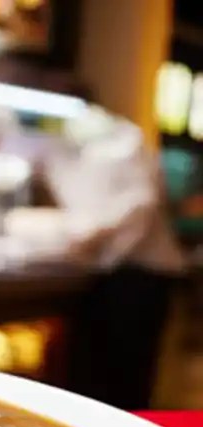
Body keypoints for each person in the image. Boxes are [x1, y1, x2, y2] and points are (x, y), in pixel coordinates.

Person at [44, 109, 187, 409]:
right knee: (98, 371)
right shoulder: (91, 150)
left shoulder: (124, 145)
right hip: (117, 273)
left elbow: (139, 207)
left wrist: (95, 240)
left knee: (125, 371)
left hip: (143, 273)